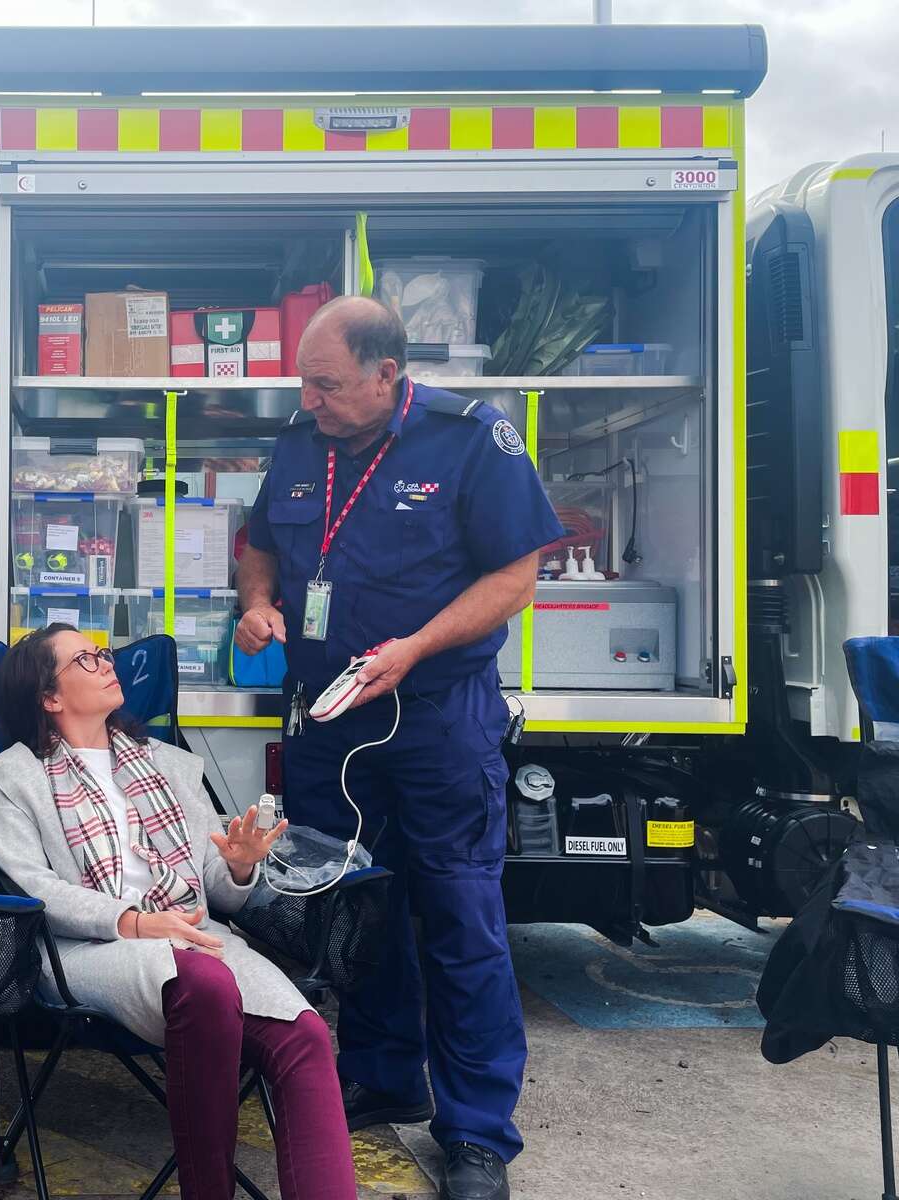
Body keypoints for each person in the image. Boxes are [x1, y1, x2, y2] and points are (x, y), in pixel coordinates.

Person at [235, 295, 565, 1200]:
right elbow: (258, 543)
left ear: (389, 375)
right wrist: (257, 602)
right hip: (328, 722)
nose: (309, 399)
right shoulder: (302, 442)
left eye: (328, 383)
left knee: (462, 924)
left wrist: (416, 648)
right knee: (354, 912)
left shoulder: (471, 439)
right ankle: (383, 1074)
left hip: (436, 718)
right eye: (303, 381)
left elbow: (515, 575)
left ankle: (478, 1136)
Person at [0, 626, 357, 1200]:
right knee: (204, 984)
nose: (106, 663)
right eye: (86, 658)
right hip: (92, 949)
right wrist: (132, 921)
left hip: (196, 937)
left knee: (304, 1037)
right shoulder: (14, 778)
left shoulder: (172, 767)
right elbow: (35, 887)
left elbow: (217, 891)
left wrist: (244, 867)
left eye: (103, 653)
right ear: (49, 697)